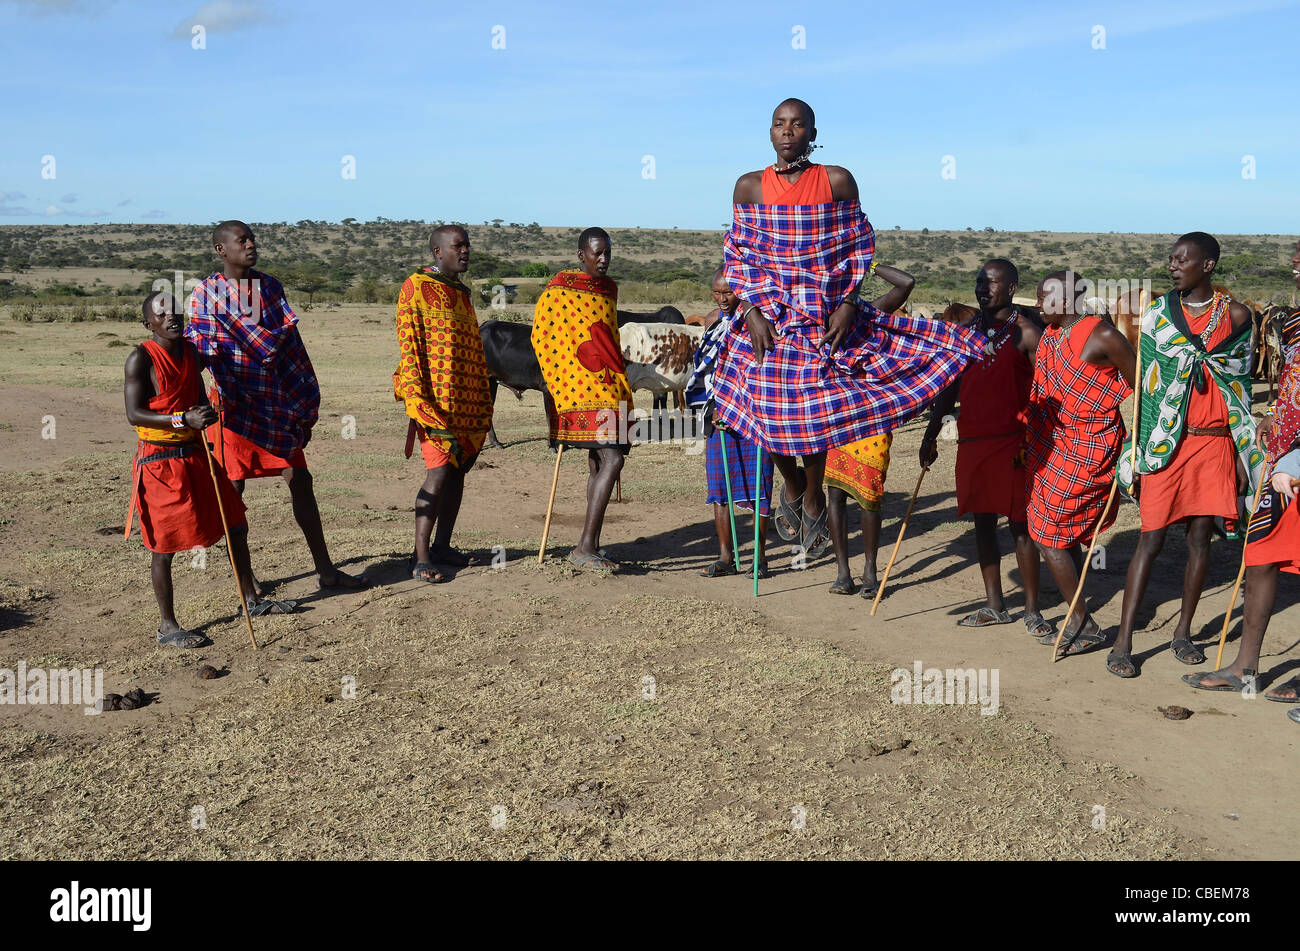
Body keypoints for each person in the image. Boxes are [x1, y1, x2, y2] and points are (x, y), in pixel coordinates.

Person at [712, 98, 985, 564]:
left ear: (813, 132)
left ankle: (813, 494)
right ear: (770, 131)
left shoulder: (837, 180)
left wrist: (845, 304)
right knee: (768, 414)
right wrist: (751, 311)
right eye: (779, 124)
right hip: (769, 319)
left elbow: (858, 248)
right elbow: (739, 257)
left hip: (822, 316)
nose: (787, 131)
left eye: (798, 124)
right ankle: (793, 484)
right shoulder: (749, 187)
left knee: (817, 416)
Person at [186, 220, 366, 601]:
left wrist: (303, 404)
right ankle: (246, 582)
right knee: (233, 491)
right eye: (242, 240)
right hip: (233, 406)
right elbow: (199, 349)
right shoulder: (205, 294)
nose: (251, 245)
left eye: (252, 238)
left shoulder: (269, 287)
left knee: (300, 481)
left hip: (277, 402)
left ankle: (326, 570)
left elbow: (290, 345)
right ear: (222, 250)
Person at [1114, 233, 1262, 670]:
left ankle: (1183, 633)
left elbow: (1241, 390)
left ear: (1209, 265)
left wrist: (1239, 454)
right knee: (1150, 539)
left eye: (1183, 260)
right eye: (1171, 259)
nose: (1173, 266)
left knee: (1200, 540)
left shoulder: (1236, 317)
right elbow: (1146, 388)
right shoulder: (1157, 314)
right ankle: (1123, 642)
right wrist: (1139, 449)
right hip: (1166, 442)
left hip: (1214, 442)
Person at [1184, 239, 1300, 718]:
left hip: (1292, 466)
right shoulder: (1294, 326)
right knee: (1262, 557)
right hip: (1282, 465)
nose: (1294, 265)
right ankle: (1244, 668)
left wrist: (1295, 462)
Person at [124, 291, 269, 647]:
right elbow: (133, 414)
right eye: (162, 315)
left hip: (198, 454)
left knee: (235, 521)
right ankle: (168, 626)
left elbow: (198, 395)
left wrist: (205, 412)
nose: (171, 318)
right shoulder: (140, 358)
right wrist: (181, 419)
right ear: (149, 324)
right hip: (160, 461)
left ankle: (250, 598)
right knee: (164, 544)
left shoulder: (190, 351)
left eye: (175, 311)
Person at [920, 259, 1045, 633]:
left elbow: (1047, 388)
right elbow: (949, 387)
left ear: (1010, 288)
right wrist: (930, 434)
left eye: (991, 282)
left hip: (1015, 442)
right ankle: (995, 605)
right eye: (978, 281)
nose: (982, 288)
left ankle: (1033, 610)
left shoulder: (1027, 333)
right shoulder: (965, 333)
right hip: (973, 439)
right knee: (983, 523)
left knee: (1021, 527)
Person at [1022, 271, 1136, 663]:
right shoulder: (1052, 334)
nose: (1038, 305)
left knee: (1049, 536)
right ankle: (1079, 618)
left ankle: (1084, 624)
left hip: (1090, 447)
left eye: (1043, 298)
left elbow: (1140, 382)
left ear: (1068, 298)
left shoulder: (1102, 335)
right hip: (1056, 443)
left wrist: (1142, 445)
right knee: (1045, 529)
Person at [394, 225, 494, 582]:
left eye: (467, 245)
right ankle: (420, 556)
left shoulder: (462, 294)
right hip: (433, 402)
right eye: (458, 246)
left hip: (465, 401)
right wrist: (420, 402)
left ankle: (443, 546)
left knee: (457, 473)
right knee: (437, 473)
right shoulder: (416, 288)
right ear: (438, 252)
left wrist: (481, 398)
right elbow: (410, 349)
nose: (465, 251)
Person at [530, 227, 631, 571]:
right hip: (577, 388)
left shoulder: (608, 291)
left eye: (607, 253)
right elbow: (544, 336)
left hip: (610, 386)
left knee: (599, 464)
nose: (603, 260)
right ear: (581, 255)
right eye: (597, 253)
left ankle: (592, 544)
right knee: (613, 460)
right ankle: (584, 547)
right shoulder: (559, 291)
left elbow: (609, 339)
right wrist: (562, 378)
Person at [824, 264, 917, 596]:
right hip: (838, 417)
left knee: (869, 496)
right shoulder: (817, 321)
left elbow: (906, 283)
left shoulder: (868, 315)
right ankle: (842, 573)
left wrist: (866, 264)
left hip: (873, 420)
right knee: (834, 494)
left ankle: (869, 572)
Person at [686, 268, 774, 578]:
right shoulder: (712, 322)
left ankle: (760, 558)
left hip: (754, 415)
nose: (723, 299)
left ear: (741, 291)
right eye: (717, 292)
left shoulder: (759, 321)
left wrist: (748, 406)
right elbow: (706, 372)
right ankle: (726, 556)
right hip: (719, 415)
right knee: (719, 490)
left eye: (728, 292)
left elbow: (765, 370)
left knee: (760, 488)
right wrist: (714, 408)